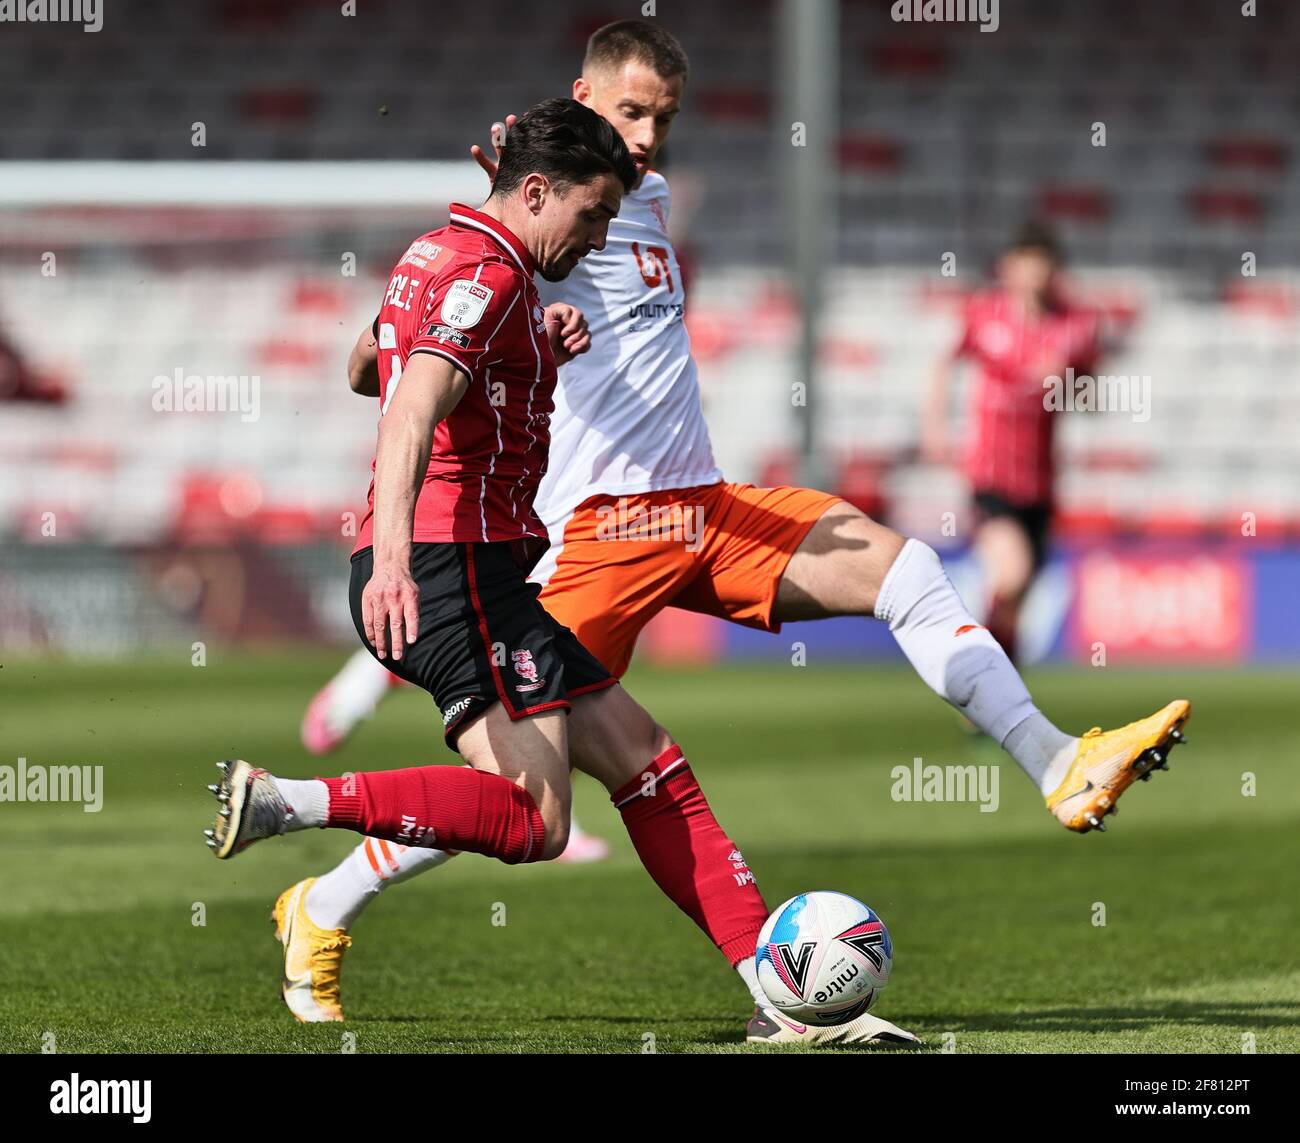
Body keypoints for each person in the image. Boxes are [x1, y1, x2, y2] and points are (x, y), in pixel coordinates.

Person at [268, 22, 1189, 1039]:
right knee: (535, 781)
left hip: (698, 504)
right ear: (580, 103)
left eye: (663, 116)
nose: (648, 135)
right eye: (627, 112)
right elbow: (435, 294)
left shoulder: (638, 194)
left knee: (903, 569)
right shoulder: (545, 204)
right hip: (598, 530)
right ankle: (325, 900)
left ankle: (1056, 762)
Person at [207, 96, 920, 1047]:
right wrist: (390, 563)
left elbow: (363, 366)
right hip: (446, 566)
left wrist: (528, 348)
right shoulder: (490, 276)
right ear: (536, 191)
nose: (594, 239)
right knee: (537, 821)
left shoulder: (441, 252)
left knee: (651, 763)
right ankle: (287, 804)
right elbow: (413, 404)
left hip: (476, 569)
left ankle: (779, 999)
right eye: (588, 216)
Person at [925, 221, 1101, 662]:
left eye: (1043, 263)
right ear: (1008, 267)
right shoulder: (983, 314)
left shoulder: (1075, 326)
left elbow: (1092, 397)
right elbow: (944, 365)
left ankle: (992, 687)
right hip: (991, 473)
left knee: (1020, 597)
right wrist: (936, 428)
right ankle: (973, 661)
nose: (1033, 273)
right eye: (1025, 262)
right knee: (1012, 574)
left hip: (1040, 480)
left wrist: (1068, 381)